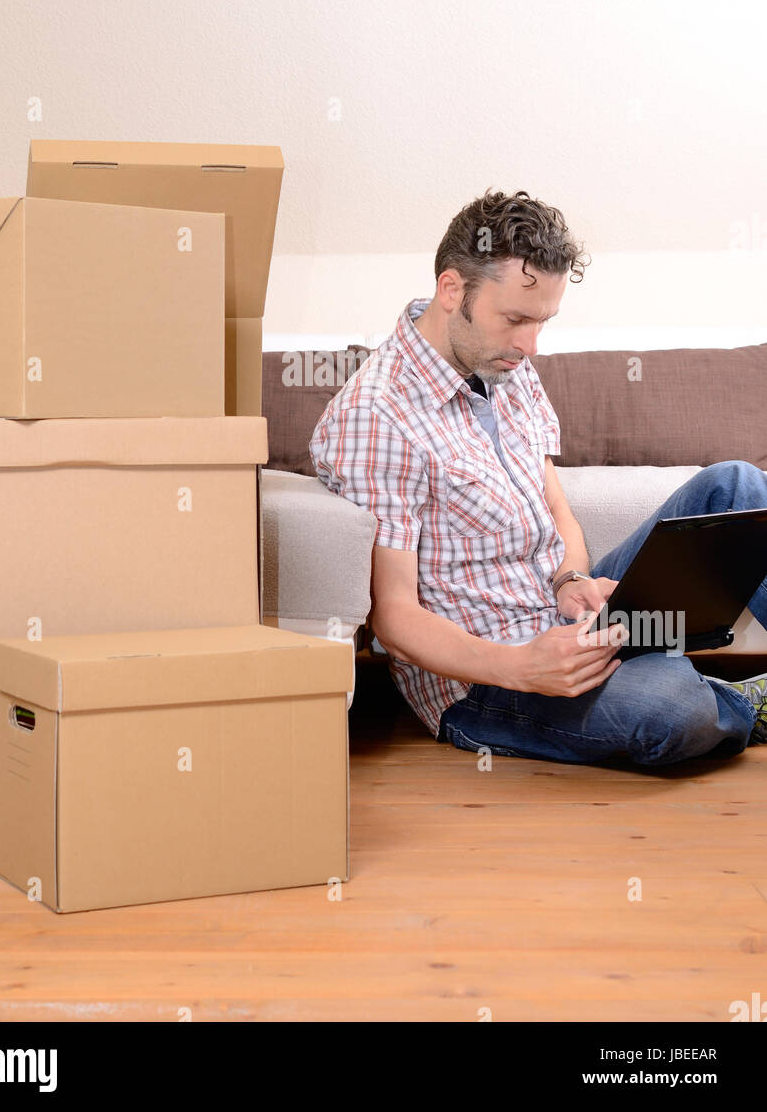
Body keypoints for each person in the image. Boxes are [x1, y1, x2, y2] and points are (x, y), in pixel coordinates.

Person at [309, 189, 767, 766]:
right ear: (452, 290)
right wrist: (522, 666)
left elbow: (554, 504)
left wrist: (570, 578)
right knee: (674, 708)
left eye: (542, 322)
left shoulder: (504, 363)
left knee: (736, 485)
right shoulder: (376, 415)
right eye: (517, 320)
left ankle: (664, 666)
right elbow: (393, 618)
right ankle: (726, 695)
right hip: (490, 678)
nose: (530, 345)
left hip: (564, 614)